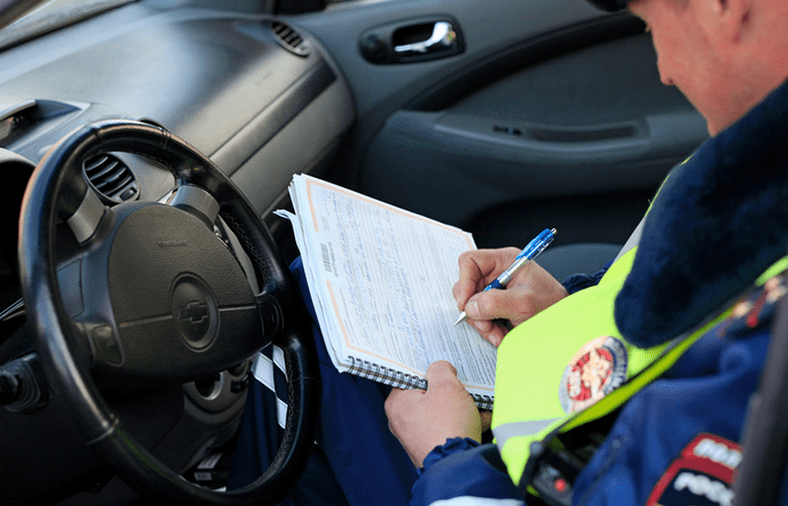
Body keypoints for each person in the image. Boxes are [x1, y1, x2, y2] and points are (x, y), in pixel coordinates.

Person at [229, 0, 788, 503]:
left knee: (305, 324)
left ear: (725, 7)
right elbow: (689, 321)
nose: (662, 69)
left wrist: (445, 454)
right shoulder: (754, 178)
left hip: (505, 478)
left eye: (652, 25)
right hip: (565, 418)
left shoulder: (773, 347)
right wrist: (564, 306)